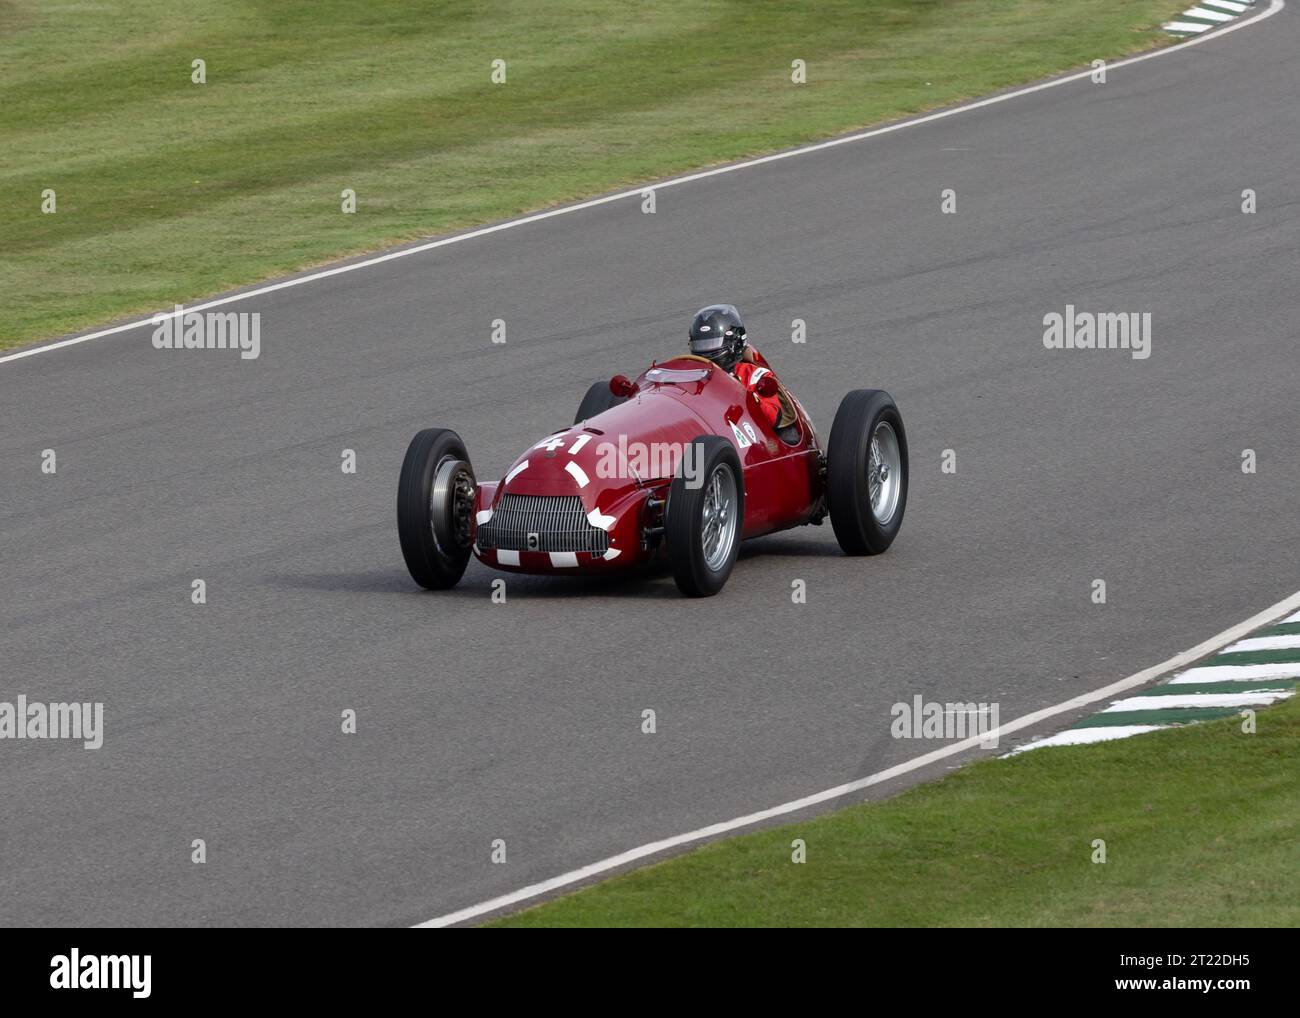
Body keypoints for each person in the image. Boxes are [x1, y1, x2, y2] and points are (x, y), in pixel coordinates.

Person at [687, 304, 789, 430]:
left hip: (755, 438)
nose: (706, 351)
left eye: (712, 343)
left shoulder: (756, 376)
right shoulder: (692, 377)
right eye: (701, 345)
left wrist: (746, 396)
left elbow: (774, 417)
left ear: (734, 342)